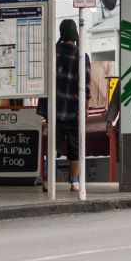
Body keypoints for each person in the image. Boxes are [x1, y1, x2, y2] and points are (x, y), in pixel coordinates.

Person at [41, 18, 90, 191]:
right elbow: (85, 86)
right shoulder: (81, 56)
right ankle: (75, 182)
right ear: (75, 34)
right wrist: (85, 108)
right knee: (75, 147)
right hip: (73, 109)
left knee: (53, 146)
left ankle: (48, 181)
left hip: (55, 108)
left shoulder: (53, 53)